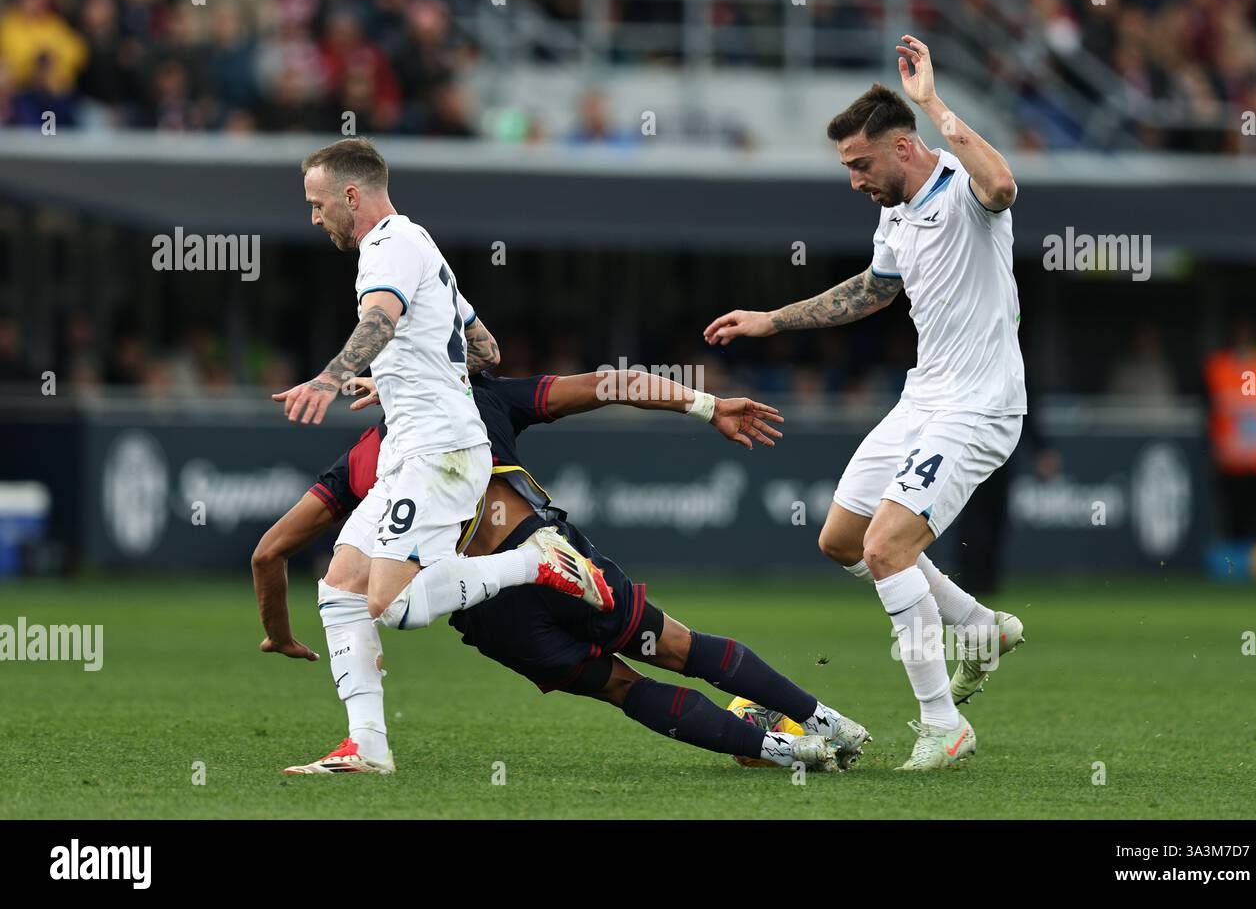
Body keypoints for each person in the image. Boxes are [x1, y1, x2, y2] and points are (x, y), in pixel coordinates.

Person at [255, 368, 869, 773]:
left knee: (624, 689)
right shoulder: (485, 397)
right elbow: (613, 383)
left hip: (490, 615)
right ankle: (832, 726)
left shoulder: (363, 458)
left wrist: (279, 632)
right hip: (551, 557)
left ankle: (794, 753)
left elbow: (270, 551)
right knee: (679, 647)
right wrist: (705, 406)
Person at [703, 36, 1027, 770]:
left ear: (905, 148)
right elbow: (874, 290)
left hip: (979, 405)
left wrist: (935, 103)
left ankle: (943, 723)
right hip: (924, 398)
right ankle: (977, 625)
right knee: (842, 541)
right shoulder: (895, 212)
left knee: (886, 549)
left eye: (860, 164)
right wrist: (772, 319)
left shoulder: (965, 190)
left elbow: (1005, 185)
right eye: (846, 166)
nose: (852, 179)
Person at [268, 138, 613, 772]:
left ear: (351, 195)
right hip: (415, 445)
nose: (314, 218)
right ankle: (366, 747)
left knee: (393, 606)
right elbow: (485, 350)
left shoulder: (387, 247)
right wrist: (395, 377)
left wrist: (328, 377)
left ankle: (535, 563)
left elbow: (381, 320)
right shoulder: (421, 243)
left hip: (441, 450)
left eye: (318, 205)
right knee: (339, 591)